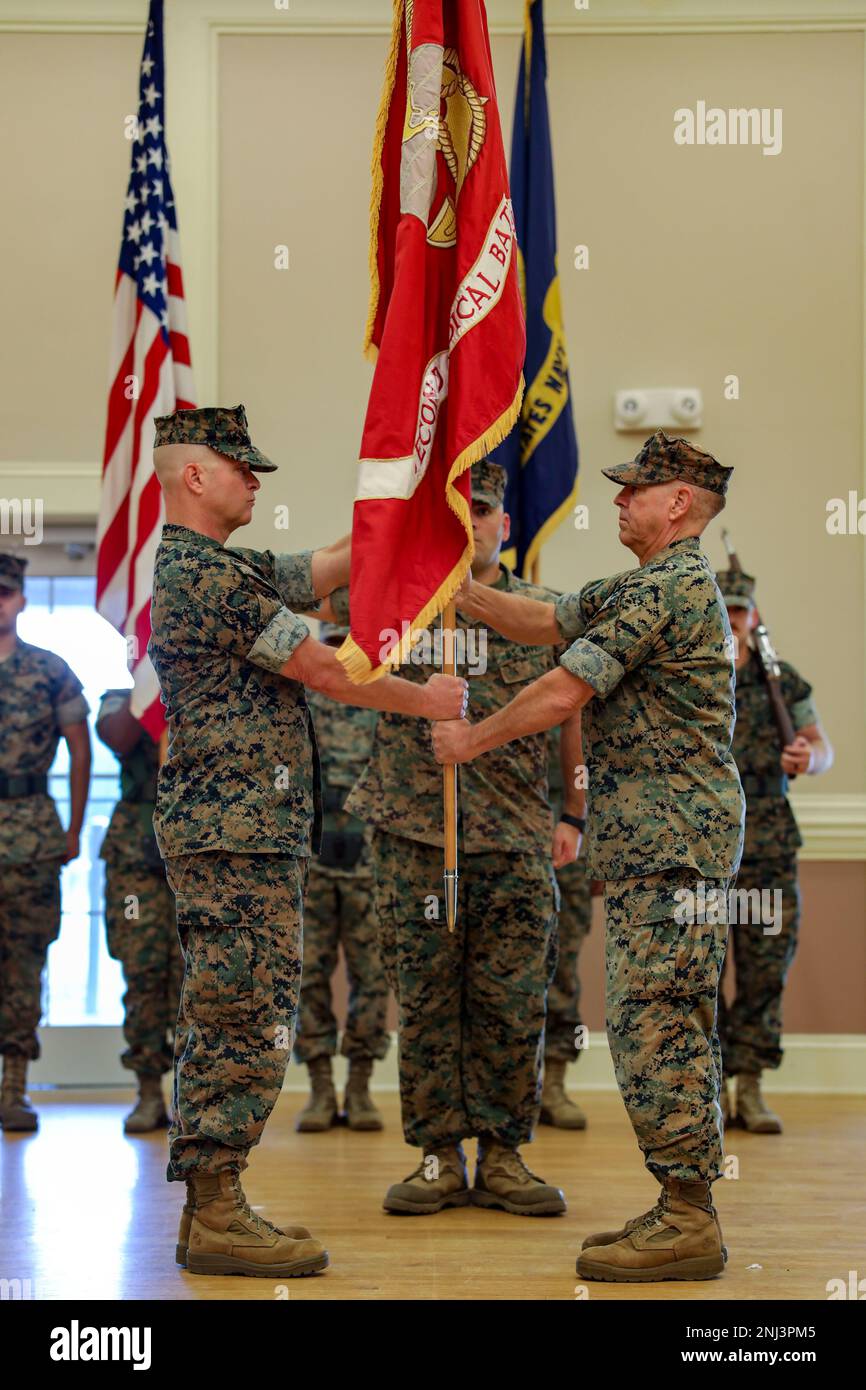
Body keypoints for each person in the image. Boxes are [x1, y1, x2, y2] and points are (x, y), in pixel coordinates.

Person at [149, 403, 467, 1279]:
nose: (256, 481)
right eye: (243, 468)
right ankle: (216, 1209)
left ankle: (213, 1206)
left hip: (249, 833)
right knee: (237, 1016)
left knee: (244, 1011)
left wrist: (411, 502)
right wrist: (427, 701)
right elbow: (323, 668)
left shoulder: (224, 566)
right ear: (195, 477)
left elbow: (324, 568)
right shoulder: (198, 576)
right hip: (232, 836)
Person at [433, 432, 745, 1282]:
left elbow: (562, 687)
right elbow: (542, 619)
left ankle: (689, 1216)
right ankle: (679, 1203)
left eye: (634, 492)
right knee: (655, 1018)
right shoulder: (646, 585)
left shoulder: (673, 588)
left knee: (661, 1023)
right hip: (657, 843)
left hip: (674, 843)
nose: (617, 501)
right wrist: (453, 586)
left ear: (678, 503)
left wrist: (474, 739)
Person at [332, 459, 581, 1218]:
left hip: (513, 835)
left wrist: (572, 815)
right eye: (455, 510)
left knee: (512, 1002)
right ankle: (438, 1154)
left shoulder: (541, 610)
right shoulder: (391, 604)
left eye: (481, 513)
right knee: (429, 999)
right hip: (413, 832)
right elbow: (343, 675)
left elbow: (572, 712)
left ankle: (504, 1156)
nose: (468, 523)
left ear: (502, 526)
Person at [716, 568, 833, 1133]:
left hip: (768, 842)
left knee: (765, 968)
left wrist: (810, 759)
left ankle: (751, 1084)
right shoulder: (693, 674)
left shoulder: (781, 682)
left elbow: (821, 745)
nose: (734, 619)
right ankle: (708, 1090)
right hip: (707, 844)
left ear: (754, 617)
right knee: (701, 970)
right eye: (726, 609)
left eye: (742, 611)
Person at [0, 552, 91, 1132]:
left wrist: (75, 829)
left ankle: (14, 1088)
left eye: (5, 593)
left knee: (24, 961)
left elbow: (81, 749)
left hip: (31, 829)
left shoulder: (51, 668)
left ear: (21, 599)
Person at [293, 624, 389, 1133]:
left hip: (370, 852)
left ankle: (360, 1084)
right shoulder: (302, 683)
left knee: (371, 975)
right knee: (308, 971)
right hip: (310, 849)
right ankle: (320, 1087)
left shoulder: (385, 685)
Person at [96, 687, 183, 1133]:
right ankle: (148, 1091)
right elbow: (117, 736)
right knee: (143, 968)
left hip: (194, 846)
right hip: (135, 852)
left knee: (194, 977)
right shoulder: (120, 698)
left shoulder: (206, 693)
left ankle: (189, 1098)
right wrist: (150, 690)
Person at [541, 724, 592, 1130]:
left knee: (563, 962)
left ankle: (555, 1082)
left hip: (569, 824)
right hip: (501, 821)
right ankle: (513, 1086)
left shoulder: (584, 666)